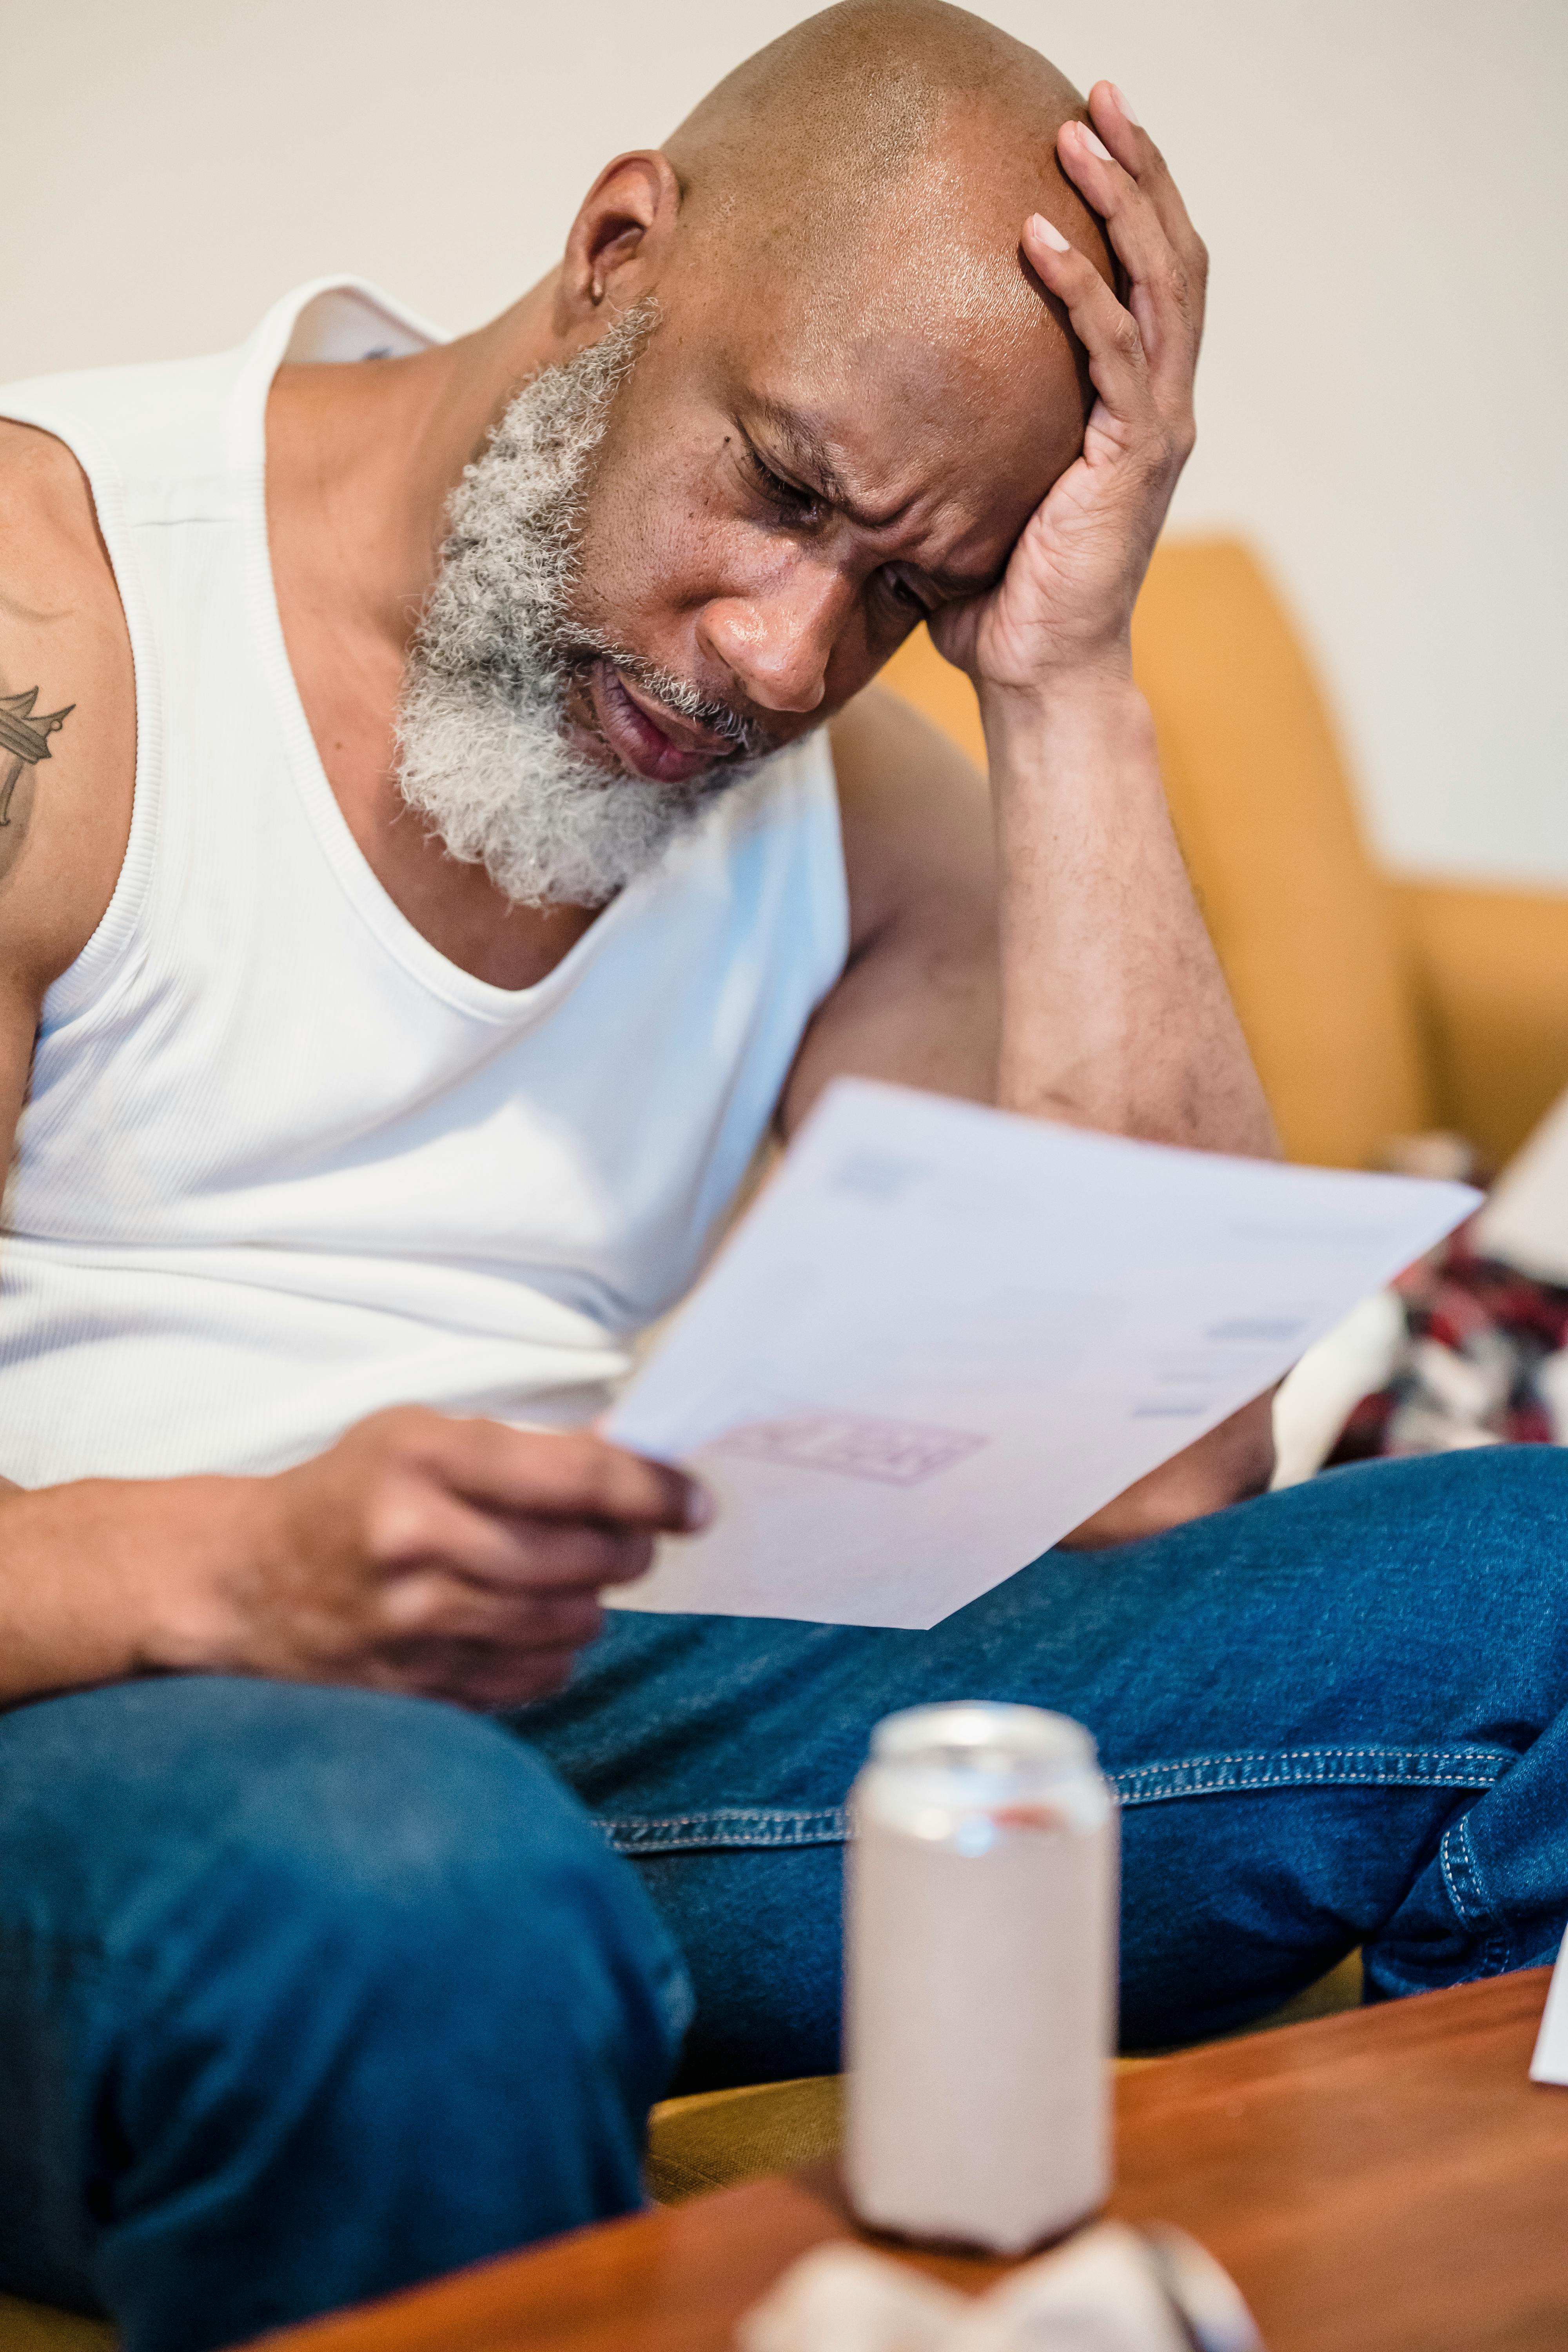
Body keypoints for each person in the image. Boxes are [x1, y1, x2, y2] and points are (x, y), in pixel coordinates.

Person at [0, 4, 1564, 2346]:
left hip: (596, 1690)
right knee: (423, 1892)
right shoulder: (66, 643)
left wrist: (1065, 677)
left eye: (901, 595)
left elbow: (1168, 1473)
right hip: (120, 1727)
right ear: (620, 252)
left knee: (1544, 1593)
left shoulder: (850, 796)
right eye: (788, 494)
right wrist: (248, 1560)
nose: (775, 654)